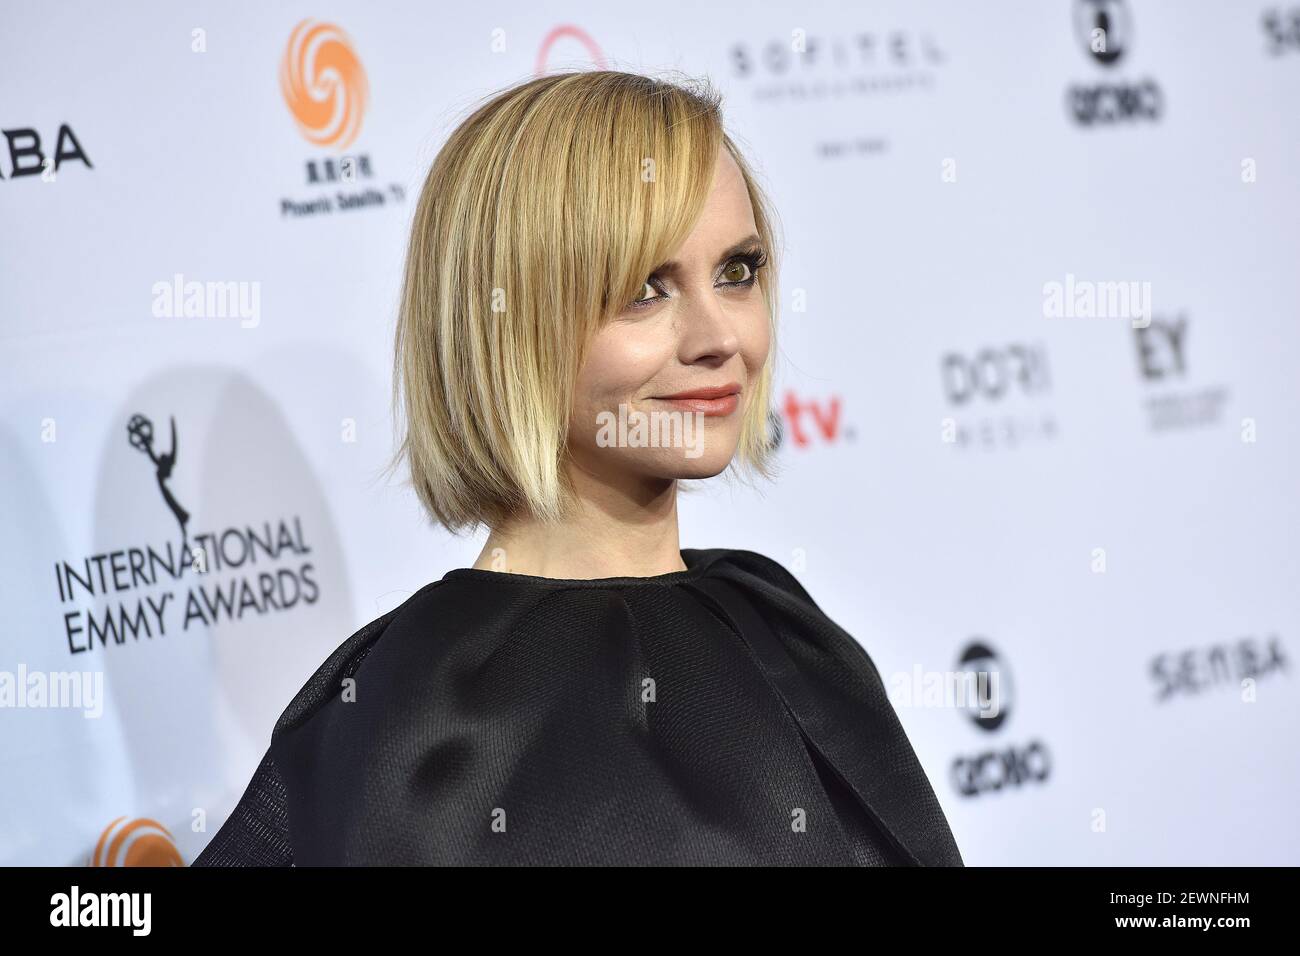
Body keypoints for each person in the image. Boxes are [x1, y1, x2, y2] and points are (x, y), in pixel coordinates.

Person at [193, 69, 963, 866]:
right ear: (509, 326)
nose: (717, 336)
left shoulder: (783, 625)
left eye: (737, 272)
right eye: (644, 289)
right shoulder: (418, 715)